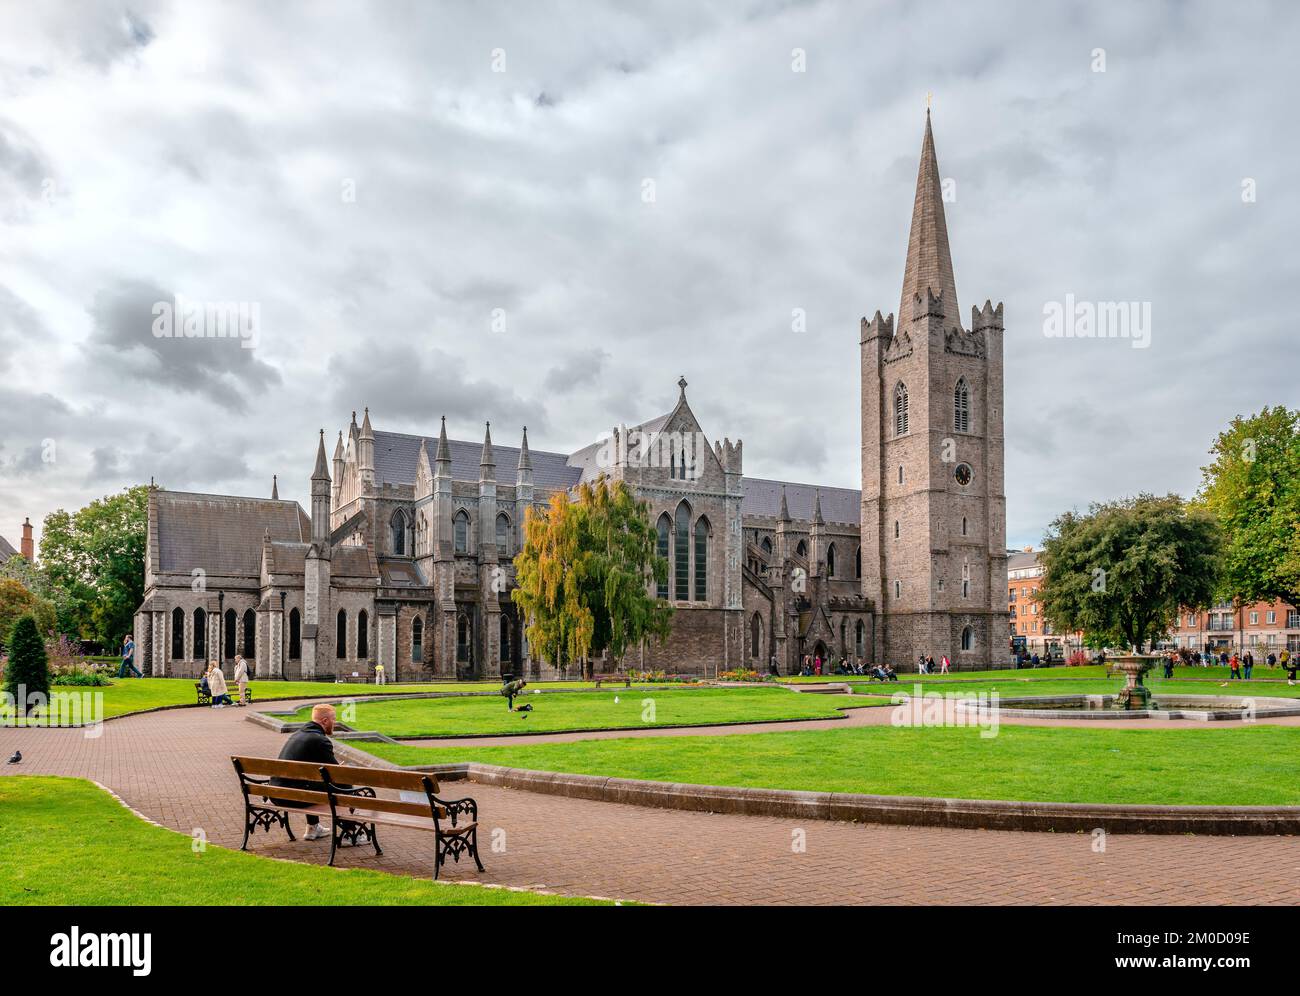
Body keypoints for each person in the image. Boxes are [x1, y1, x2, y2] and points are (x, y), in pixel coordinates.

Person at [269, 704, 342, 841]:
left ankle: (313, 828)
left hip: (275, 793)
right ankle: (350, 831)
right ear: (325, 721)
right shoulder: (320, 740)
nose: (335, 723)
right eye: (334, 719)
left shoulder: (297, 735)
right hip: (293, 796)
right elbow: (335, 774)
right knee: (343, 784)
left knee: (312, 783)